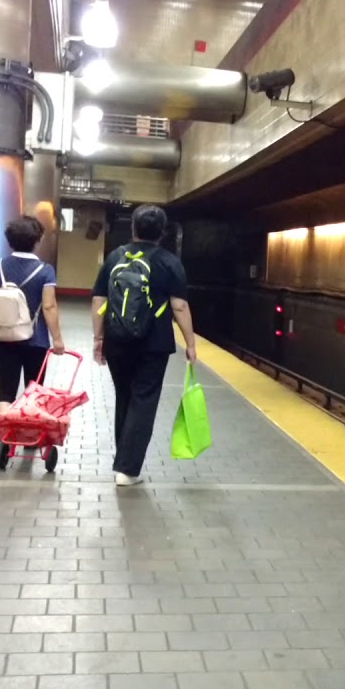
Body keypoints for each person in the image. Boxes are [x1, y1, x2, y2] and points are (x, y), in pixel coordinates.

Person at [91, 204, 197, 486]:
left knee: (125, 398)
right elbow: (180, 306)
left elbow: (99, 302)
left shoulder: (114, 257)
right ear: (162, 232)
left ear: (133, 228)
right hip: (154, 345)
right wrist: (190, 342)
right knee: (144, 401)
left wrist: (98, 338)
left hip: (116, 341)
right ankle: (127, 469)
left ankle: (123, 461)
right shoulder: (170, 262)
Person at [0, 215, 65, 413]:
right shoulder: (45, 270)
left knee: (6, 391)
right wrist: (57, 339)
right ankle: (30, 440)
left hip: (5, 337)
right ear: (37, 240)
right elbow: (49, 306)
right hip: (36, 340)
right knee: (34, 391)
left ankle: (5, 439)